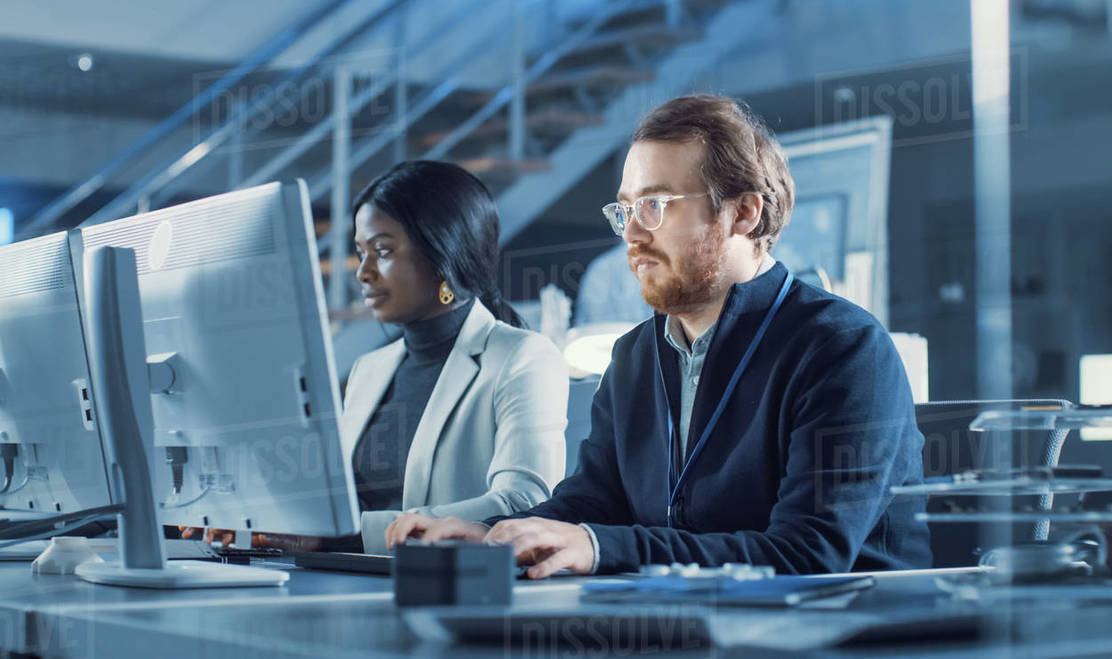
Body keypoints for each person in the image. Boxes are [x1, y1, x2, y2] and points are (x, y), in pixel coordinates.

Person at [382, 94, 932, 578]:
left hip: (841, 635)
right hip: (688, 628)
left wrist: (599, 547)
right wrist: (499, 535)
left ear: (742, 213)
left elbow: (806, 555)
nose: (633, 234)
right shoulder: (635, 355)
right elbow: (594, 501)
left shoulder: (842, 348)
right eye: (625, 209)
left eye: (654, 205)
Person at [185, 160, 568, 553]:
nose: (363, 272)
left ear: (443, 254)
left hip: (452, 593)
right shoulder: (370, 370)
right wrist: (258, 517)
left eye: (382, 250)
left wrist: (345, 534)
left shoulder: (522, 357)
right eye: (360, 252)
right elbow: (340, 505)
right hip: (351, 584)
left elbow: (523, 505)